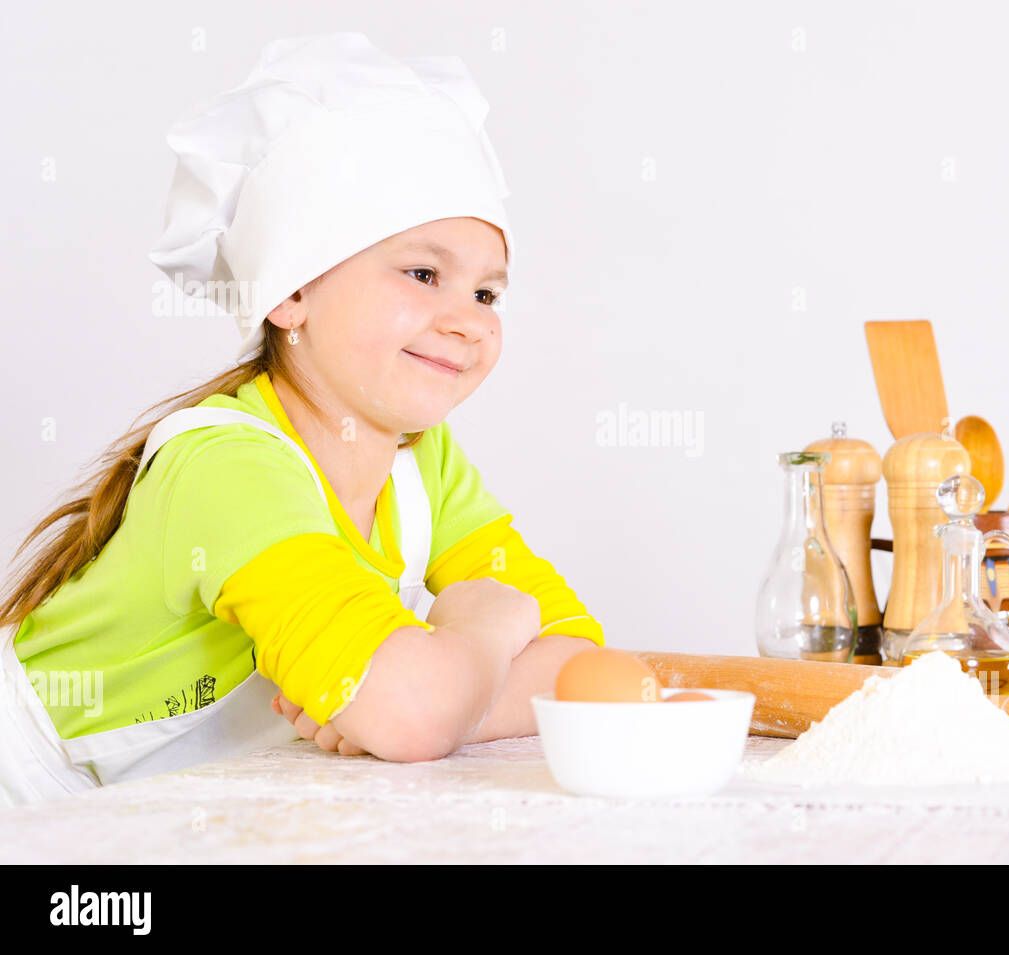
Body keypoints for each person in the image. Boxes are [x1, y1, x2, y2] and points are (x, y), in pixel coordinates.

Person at [0, 32, 602, 808]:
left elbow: (581, 668)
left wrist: (438, 695)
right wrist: (481, 631)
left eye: (487, 293)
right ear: (291, 294)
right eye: (424, 274)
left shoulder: (426, 465)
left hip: (147, 820)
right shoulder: (229, 469)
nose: (467, 320)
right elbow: (414, 712)